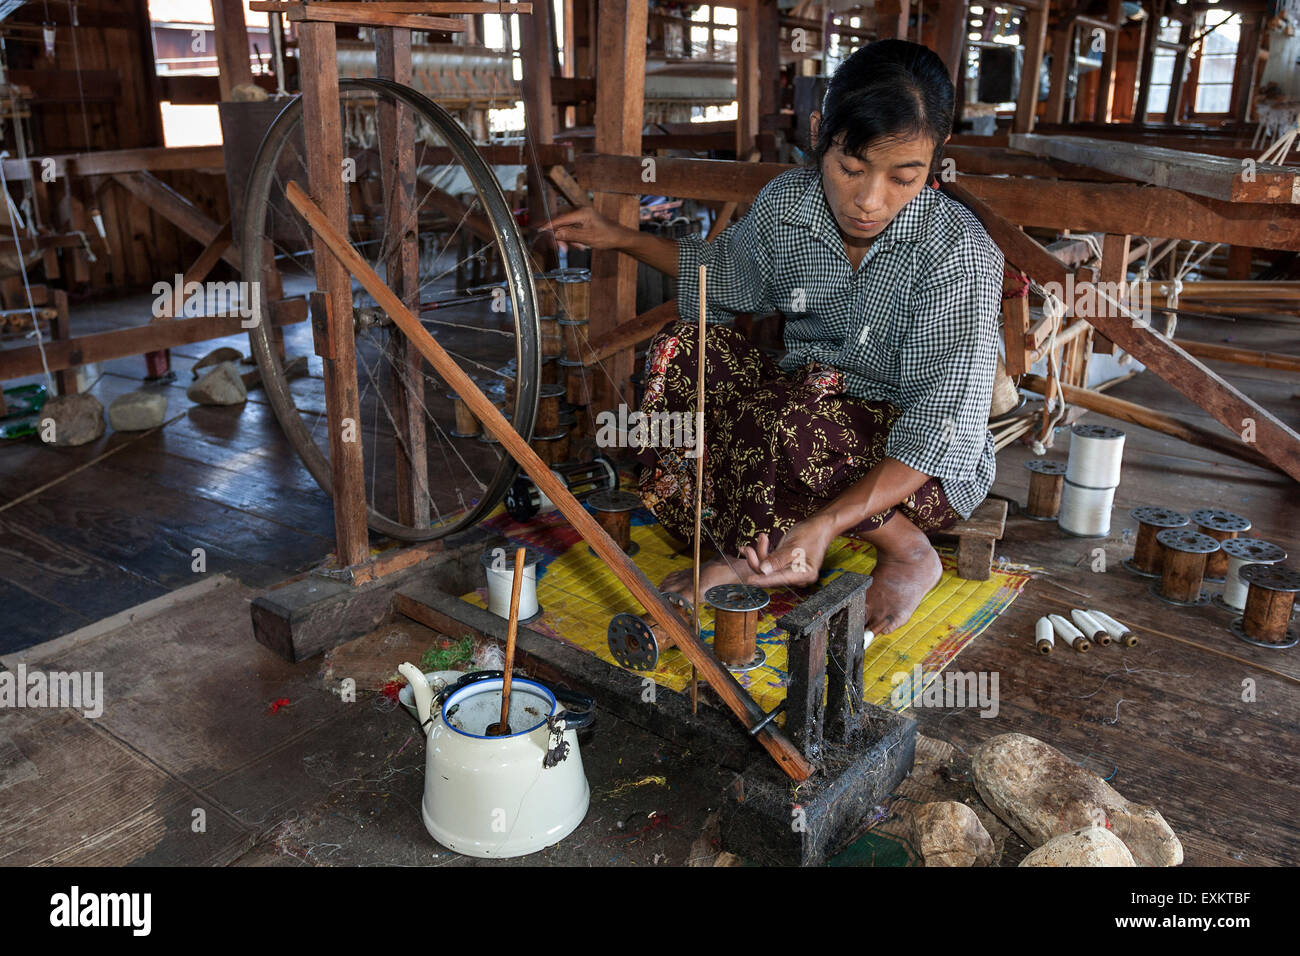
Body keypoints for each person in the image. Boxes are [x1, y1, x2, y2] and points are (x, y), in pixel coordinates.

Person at [539, 39, 1003, 637]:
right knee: (686, 351)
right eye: (851, 168)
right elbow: (722, 276)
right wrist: (619, 235)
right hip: (805, 411)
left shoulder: (957, 253)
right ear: (818, 133)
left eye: (903, 177)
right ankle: (773, 538)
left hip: (919, 463)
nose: (869, 201)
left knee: (790, 422)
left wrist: (827, 523)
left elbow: (942, 424)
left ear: (937, 158)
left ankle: (907, 551)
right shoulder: (788, 206)